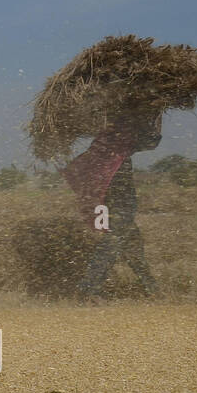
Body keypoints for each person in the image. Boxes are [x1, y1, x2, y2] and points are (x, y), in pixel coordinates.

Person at [63, 111, 162, 298]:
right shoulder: (122, 135)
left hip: (105, 195)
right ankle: (88, 289)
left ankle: (152, 290)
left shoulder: (103, 140)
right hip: (118, 196)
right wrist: (157, 113)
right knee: (114, 240)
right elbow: (152, 141)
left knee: (131, 241)